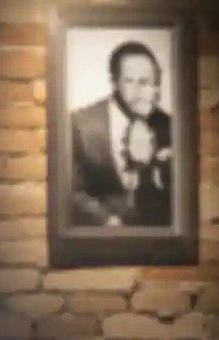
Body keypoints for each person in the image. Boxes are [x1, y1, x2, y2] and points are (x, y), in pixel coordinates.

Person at [70, 41, 172, 227]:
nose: (149, 92)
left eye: (152, 82)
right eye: (135, 82)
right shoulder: (80, 124)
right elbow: (68, 191)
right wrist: (106, 220)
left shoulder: (168, 125)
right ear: (114, 82)